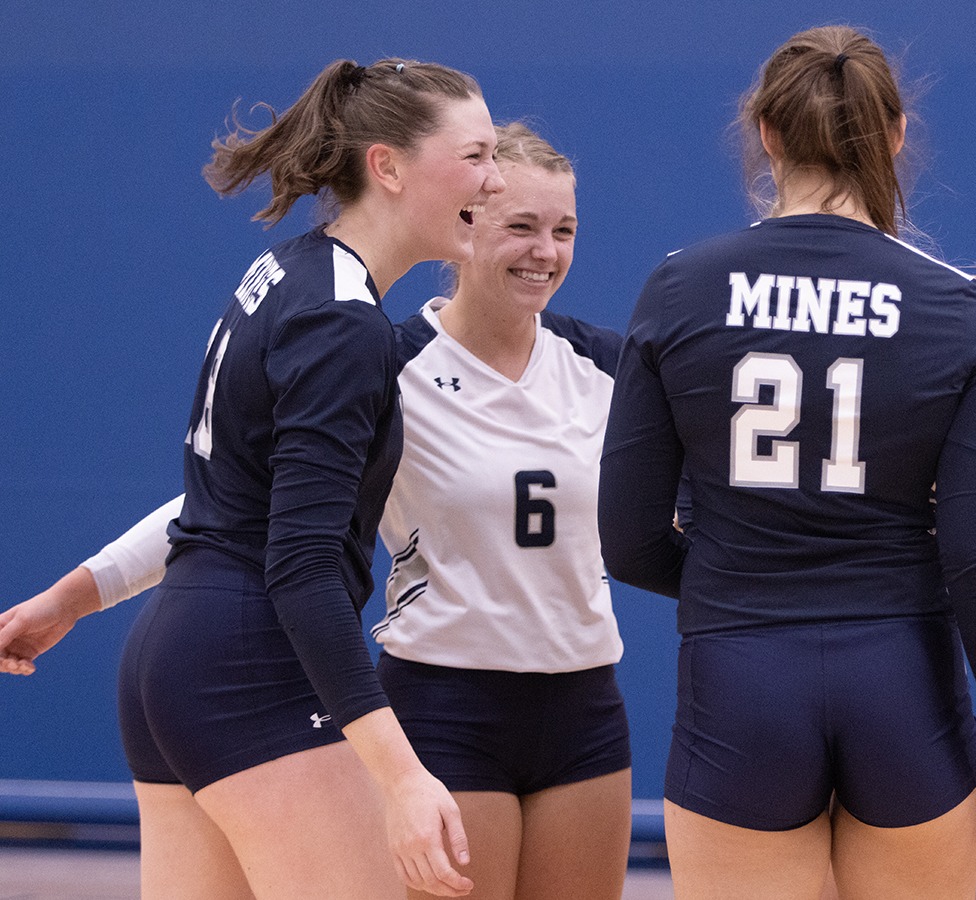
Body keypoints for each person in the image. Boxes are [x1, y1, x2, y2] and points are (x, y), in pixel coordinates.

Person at [1, 124, 636, 900]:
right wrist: (75, 594)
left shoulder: (606, 366)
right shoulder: (388, 361)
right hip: (445, 705)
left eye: (563, 230)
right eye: (521, 226)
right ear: (466, 228)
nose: (546, 251)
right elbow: (229, 504)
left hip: (585, 707)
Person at [596, 25, 976, 900]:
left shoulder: (681, 287)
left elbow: (628, 539)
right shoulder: (956, 308)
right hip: (904, 678)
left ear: (768, 135)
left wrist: (743, 582)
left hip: (740, 679)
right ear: (896, 135)